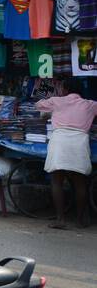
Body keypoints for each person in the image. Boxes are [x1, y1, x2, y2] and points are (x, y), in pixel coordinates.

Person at [37, 79, 97, 229]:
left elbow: (38, 104)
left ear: (65, 89)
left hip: (59, 141)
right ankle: (80, 219)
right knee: (80, 182)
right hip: (79, 142)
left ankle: (60, 219)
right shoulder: (90, 104)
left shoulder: (57, 101)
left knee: (57, 181)